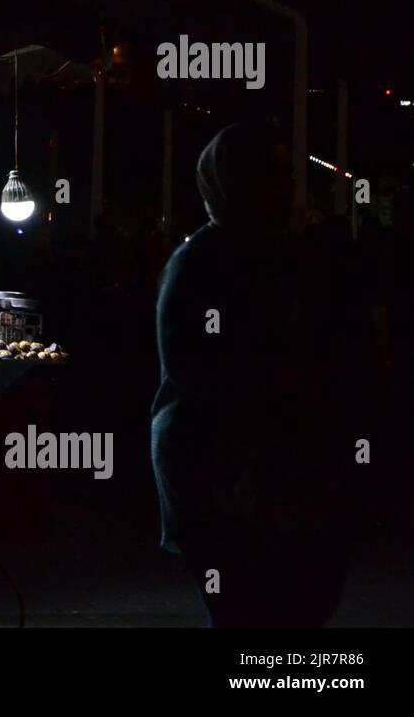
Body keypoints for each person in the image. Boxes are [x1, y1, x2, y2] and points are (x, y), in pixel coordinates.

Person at [150, 122, 352, 627]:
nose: (289, 189)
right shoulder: (202, 263)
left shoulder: (283, 258)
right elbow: (200, 372)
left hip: (273, 474)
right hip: (220, 470)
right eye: (275, 175)